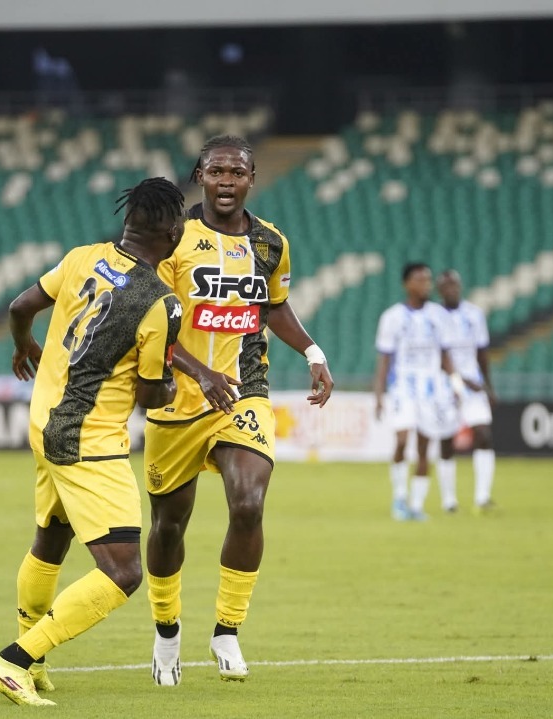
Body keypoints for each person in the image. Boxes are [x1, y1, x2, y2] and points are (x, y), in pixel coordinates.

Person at [0, 177, 185, 707]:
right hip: (87, 439)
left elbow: (20, 306)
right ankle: (14, 660)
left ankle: (35, 661)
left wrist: (24, 344)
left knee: (50, 538)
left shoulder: (81, 257)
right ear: (172, 231)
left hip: (43, 419)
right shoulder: (159, 301)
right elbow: (149, 397)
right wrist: (176, 385)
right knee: (123, 573)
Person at [142, 135, 334, 685]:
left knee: (249, 503)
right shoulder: (172, 241)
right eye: (217, 171)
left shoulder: (272, 243)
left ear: (252, 178)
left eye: (238, 172)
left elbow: (273, 305)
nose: (227, 181)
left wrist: (313, 352)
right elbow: (148, 323)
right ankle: (166, 630)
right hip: (177, 399)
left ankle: (226, 630)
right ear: (199, 175)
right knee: (168, 525)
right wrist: (199, 374)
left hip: (244, 392)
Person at [373, 262, 478, 521]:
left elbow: (445, 355)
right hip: (403, 388)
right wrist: (378, 395)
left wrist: (455, 384)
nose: (426, 285)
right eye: (420, 280)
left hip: (432, 390)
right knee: (401, 441)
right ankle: (400, 497)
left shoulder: (438, 316)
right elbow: (384, 360)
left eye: (428, 280)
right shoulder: (392, 317)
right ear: (407, 284)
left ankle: (417, 506)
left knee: (424, 448)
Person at [436, 269, 498, 513]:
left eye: (455, 285)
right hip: (444, 385)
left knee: (483, 433)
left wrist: (489, 387)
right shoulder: (434, 316)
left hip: (474, 385)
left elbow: (482, 353)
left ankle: (482, 497)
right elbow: (437, 355)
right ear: (439, 290)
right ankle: (449, 500)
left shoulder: (474, 314)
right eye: (446, 286)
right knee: (447, 441)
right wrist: (457, 378)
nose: (452, 289)